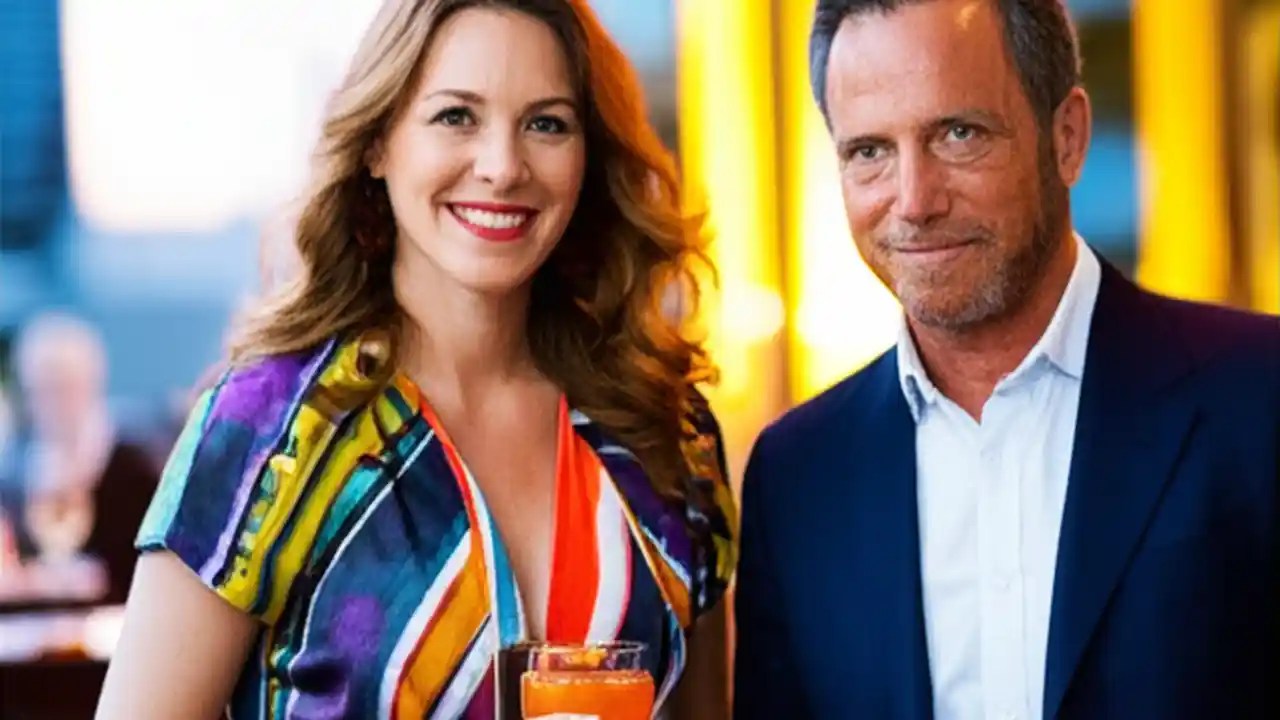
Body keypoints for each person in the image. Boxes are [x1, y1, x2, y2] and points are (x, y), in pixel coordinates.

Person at [95, 1, 735, 718]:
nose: (502, 166)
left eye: (547, 123)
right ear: (378, 143)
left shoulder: (665, 434)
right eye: (456, 116)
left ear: (589, 157)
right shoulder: (271, 433)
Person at [733, 0, 1280, 718]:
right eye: (869, 151)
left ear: (1068, 137)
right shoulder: (797, 476)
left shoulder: (1260, 397)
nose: (914, 200)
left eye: (958, 133)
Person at [0, 312, 158, 606]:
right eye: (41, 390)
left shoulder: (132, 469)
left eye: (63, 387)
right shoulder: (15, 469)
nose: (52, 403)